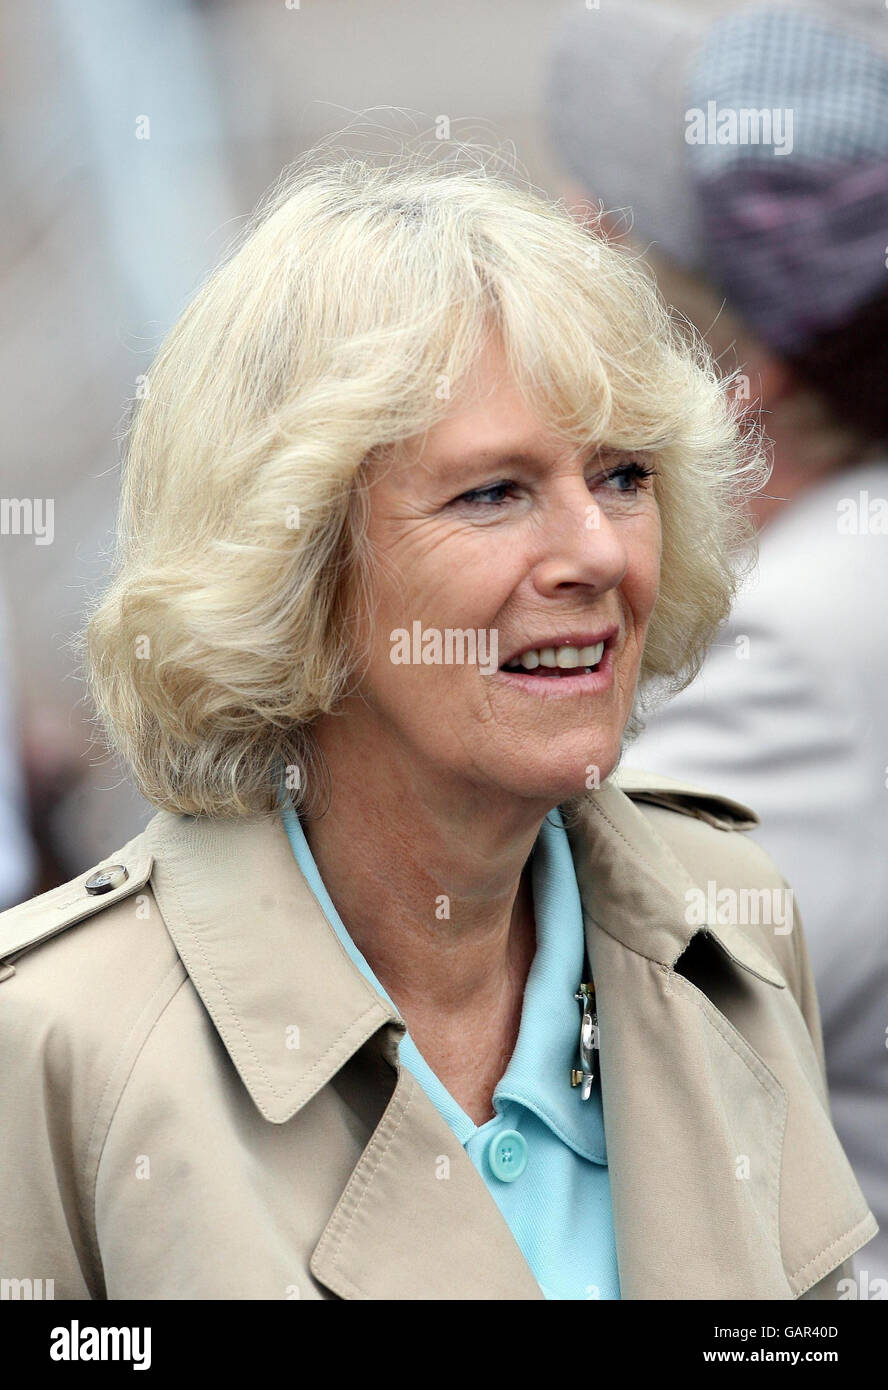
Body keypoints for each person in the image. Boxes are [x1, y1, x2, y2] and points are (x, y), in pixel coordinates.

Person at [0, 149, 876, 1300]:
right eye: (493, 492)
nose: (598, 552)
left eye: (622, 475)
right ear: (301, 563)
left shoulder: (730, 924)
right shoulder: (59, 1043)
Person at [547, 0, 888, 1281]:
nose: (570, 233)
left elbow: (570, 1038)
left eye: (612, 253)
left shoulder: (804, 643)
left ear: (749, 381)